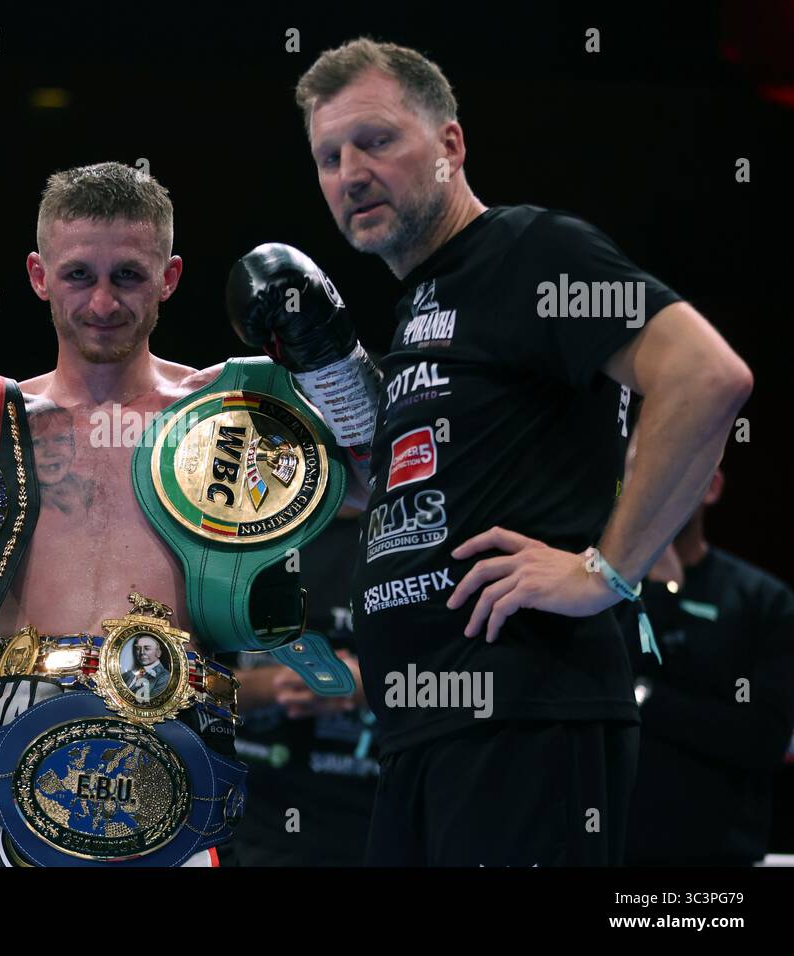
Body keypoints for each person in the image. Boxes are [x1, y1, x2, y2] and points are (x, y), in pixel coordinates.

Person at [0, 161, 378, 866]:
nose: (103, 302)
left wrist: (330, 357)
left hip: (176, 786)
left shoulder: (232, 423)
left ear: (169, 279)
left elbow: (381, 481)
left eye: (129, 276)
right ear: (38, 275)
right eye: (79, 274)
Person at [282, 37, 752, 865]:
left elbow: (706, 375)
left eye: (377, 140)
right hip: (419, 735)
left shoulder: (532, 252)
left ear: (450, 146)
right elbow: (407, 505)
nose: (350, 172)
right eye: (329, 156)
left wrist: (603, 571)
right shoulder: (422, 305)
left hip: (526, 720)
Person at [622, 462, 794, 865]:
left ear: (711, 486)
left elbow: (764, 738)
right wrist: (657, 588)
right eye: (635, 469)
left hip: (721, 853)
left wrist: (647, 697)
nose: (647, 485)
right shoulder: (592, 591)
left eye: (667, 462)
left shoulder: (763, 600)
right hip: (612, 847)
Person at [228, 514, 377, 866]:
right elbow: (182, 679)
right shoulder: (248, 535)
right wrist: (270, 686)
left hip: (364, 818)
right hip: (249, 814)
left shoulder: (395, 535)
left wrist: (363, 686)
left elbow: (455, 683)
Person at [124, 635, 169, 703]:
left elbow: (150, 705)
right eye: (138, 648)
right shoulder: (127, 675)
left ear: (158, 652)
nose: (141, 652)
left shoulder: (165, 677)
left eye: (147, 648)